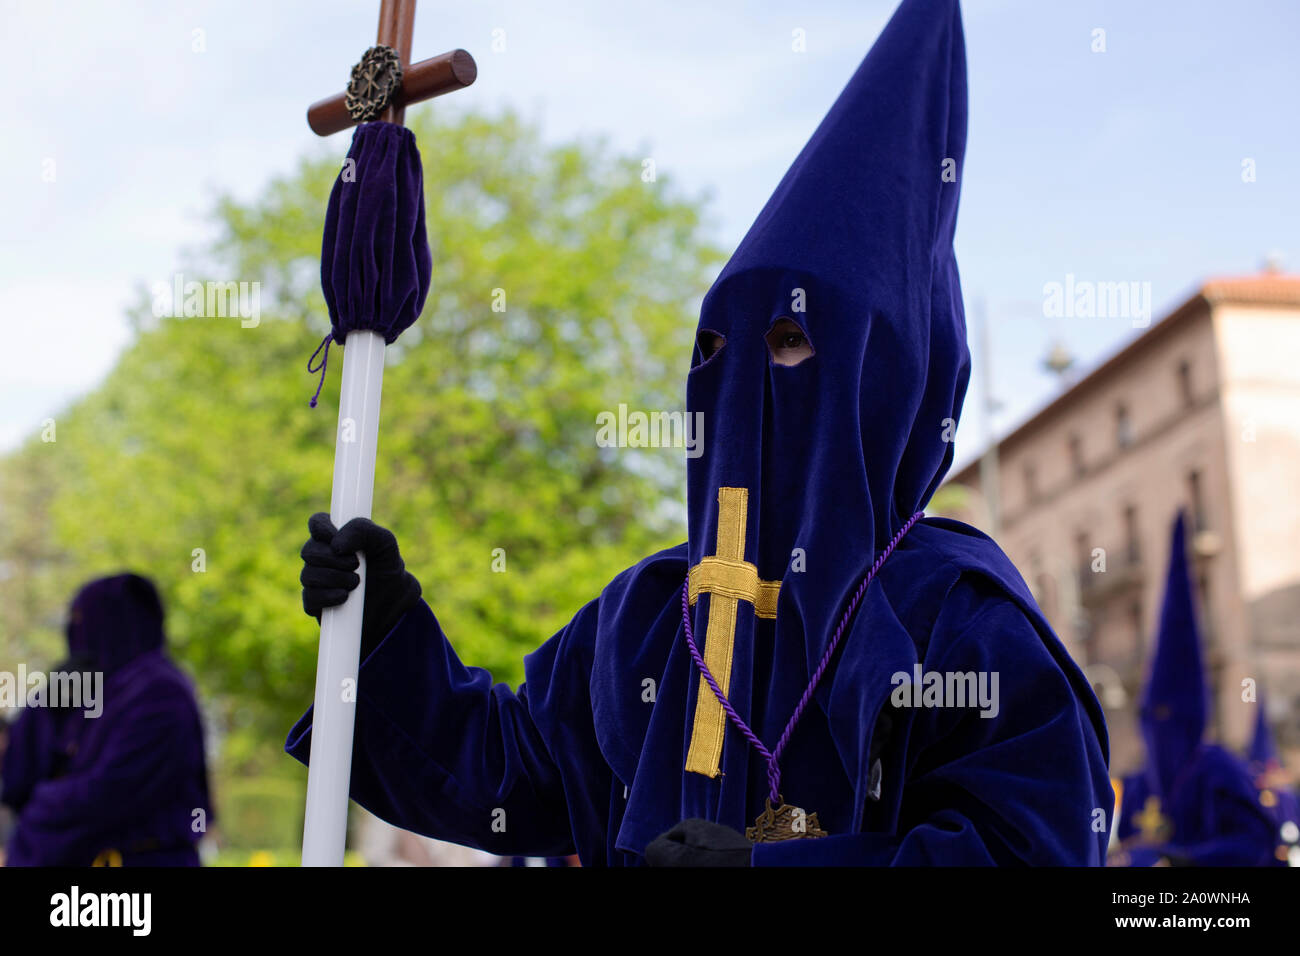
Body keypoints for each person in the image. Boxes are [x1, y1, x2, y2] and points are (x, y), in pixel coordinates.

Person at [289, 0, 1111, 866]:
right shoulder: (649, 614)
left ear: (884, 377)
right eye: (715, 347)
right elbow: (507, 773)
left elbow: (1027, 853)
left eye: (790, 342)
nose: (743, 384)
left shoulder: (952, 618)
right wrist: (384, 630)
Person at [2, 573, 211, 866]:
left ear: (112, 621)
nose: (74, 632)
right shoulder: (89, 687)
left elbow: (112, 794)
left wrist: (42, 803)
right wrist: (47, 704)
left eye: (82, 619)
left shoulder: (159, 692)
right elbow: (17, 778)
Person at [1110, 514, 1281, 867]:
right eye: (1149, 716)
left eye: (1165, 715)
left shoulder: (1222, 770)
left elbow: (1258, 843)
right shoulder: (1140, 783)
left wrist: (1185, 858)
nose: (1158, 728)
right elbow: (1129, 844)